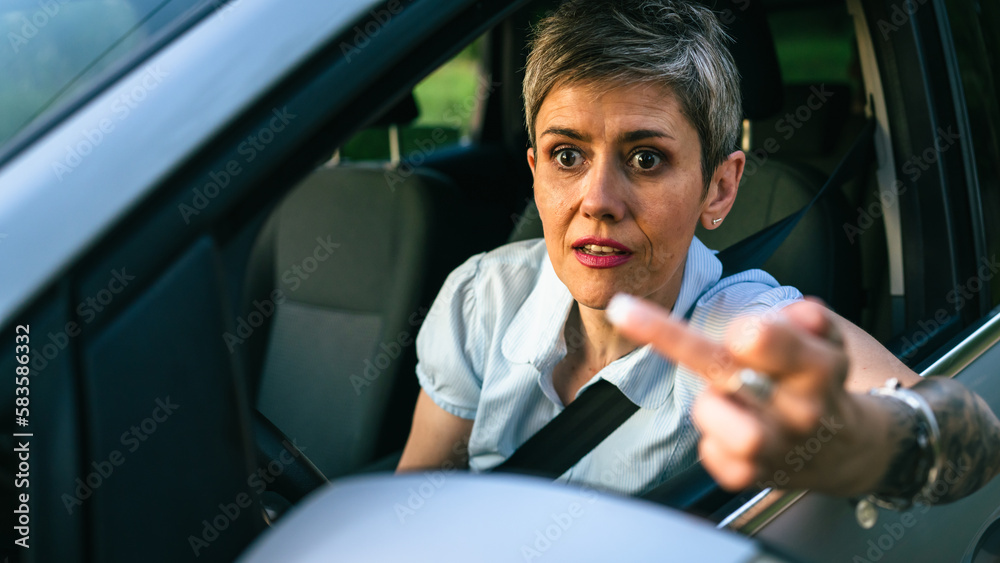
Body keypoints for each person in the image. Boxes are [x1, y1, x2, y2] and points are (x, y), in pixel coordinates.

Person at [397, 0, 1000, 507]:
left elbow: (977, 438)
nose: (598, 200)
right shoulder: (483, 297)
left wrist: (865, 444)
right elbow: (415, 515)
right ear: (534, 172)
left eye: (646, 158)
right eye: (566, 155)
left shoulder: (743, 331)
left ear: (720, 187)